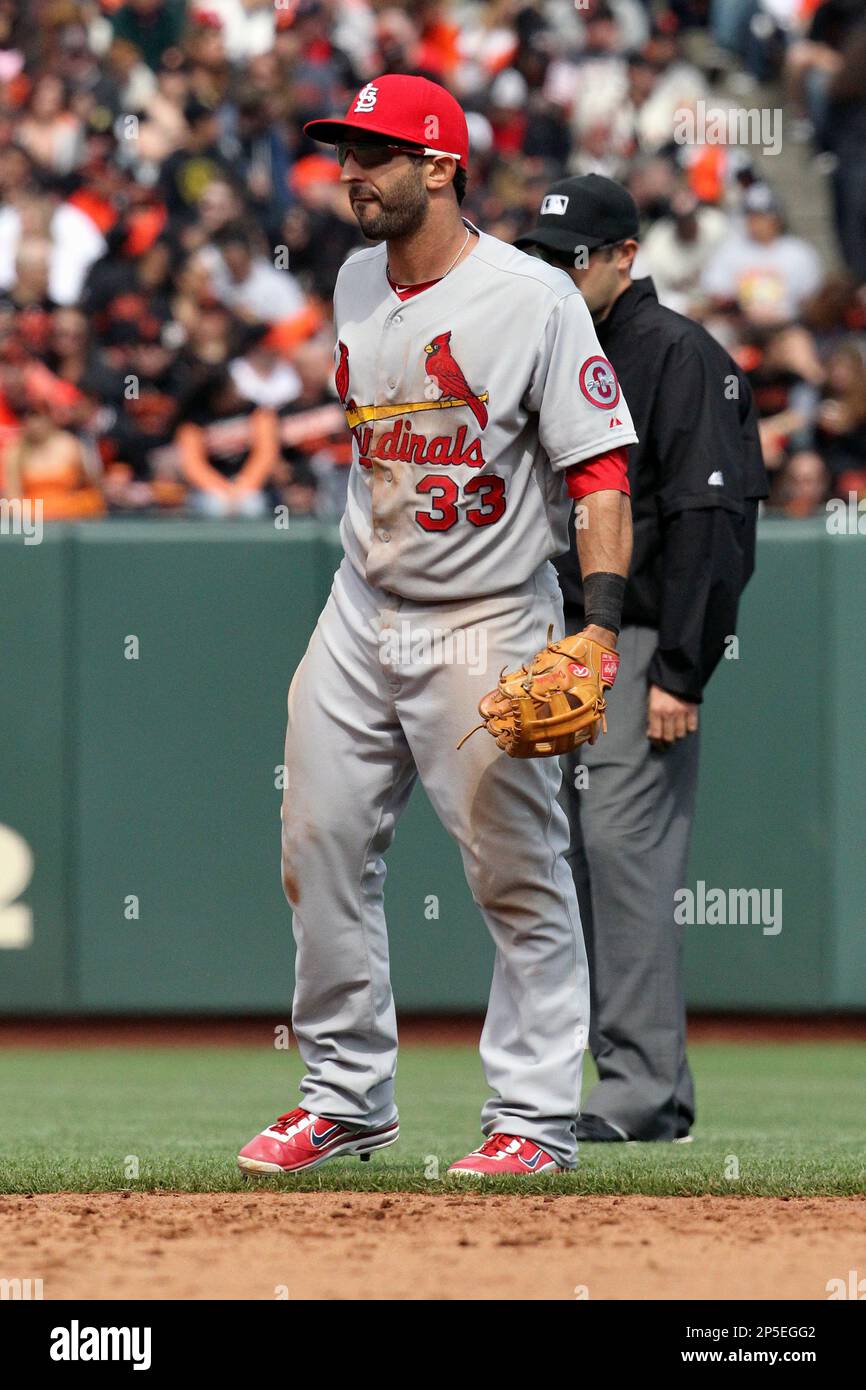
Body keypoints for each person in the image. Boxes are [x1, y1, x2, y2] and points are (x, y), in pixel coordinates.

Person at [237, 76, 637, 1179]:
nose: (349, 170)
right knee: (315, 843)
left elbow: (600, 470)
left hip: (488, 613)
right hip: (362, 607)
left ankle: (531, 1117)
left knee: (513, 871)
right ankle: (346, 1095)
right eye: (342, 150)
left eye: (374, 152)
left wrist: (596, 632)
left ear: (441, 167)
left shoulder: (532, 299)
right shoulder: (357, 277)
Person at [516, 174, 767, 1142]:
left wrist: (679, 666)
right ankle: (629, 1085)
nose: (555, 268)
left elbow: (711, 515)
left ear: (624, 254)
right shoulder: (554, 346)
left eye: (572, 253)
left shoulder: (677, 353)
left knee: (623, 863)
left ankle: (637, 1092)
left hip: (634, 640)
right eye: (542, 253)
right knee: (567, 865)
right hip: (559, 632)